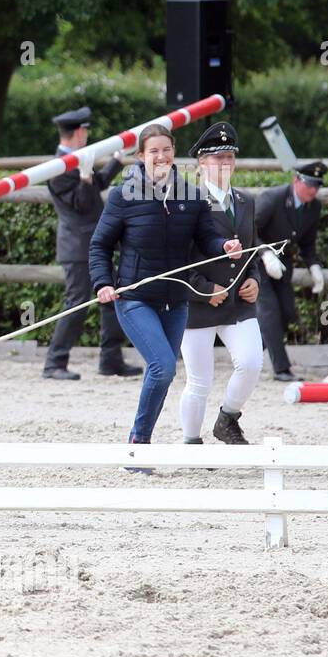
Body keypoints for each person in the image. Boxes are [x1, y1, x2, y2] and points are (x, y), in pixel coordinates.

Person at [89, 123, 242, 464]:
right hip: (135, 298)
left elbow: (206, 240)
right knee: (163, 368)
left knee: (162, 372)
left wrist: (225, 245)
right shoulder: (122, 196)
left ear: (174, 153)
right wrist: (103, 283)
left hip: (176, 300)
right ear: (141, 156)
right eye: (153, 151)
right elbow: (100, 244)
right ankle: (138, 442)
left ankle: (140, 440)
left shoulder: (191, 196)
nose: (161, 156)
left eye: (167, 149)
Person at [178, 123, 262, 445]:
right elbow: (178, 260)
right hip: (198, 303)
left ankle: (228, 418)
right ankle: (190, 441)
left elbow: (251, 251)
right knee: (199, 381)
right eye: (217, 159)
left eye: (229, 157)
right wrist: (204, 289)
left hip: (238, 302)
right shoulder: (187, 201)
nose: (225, 164)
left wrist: (254, 279)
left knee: (252, 362)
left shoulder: (245, 201)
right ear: (201, 163)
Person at [44, 106, 141, 380]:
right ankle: (54, 362)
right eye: (86, 131)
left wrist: (116, 161)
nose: (88, 135)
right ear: (78, 133)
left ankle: (110, 360)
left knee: (112, 299)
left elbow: (97, 183)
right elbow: (82, 202)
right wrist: (85, 177)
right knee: (77, 302)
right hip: (77, 247)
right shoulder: (58, 168)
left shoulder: (75, 160)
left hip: (96, 245)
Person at [256, 160, 328, 381]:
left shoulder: (313, 206)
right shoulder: (273, 198)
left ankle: (246, 355)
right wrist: (265, 254)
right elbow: (249, 229)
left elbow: (307, 242)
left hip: (282, 264)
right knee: (269, 313)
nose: (313, 190)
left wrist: (314, 266)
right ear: (296, 180)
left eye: (317, 185)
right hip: (256, 263)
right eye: (309, 184)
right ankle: (281, 369)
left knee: (287, 312)